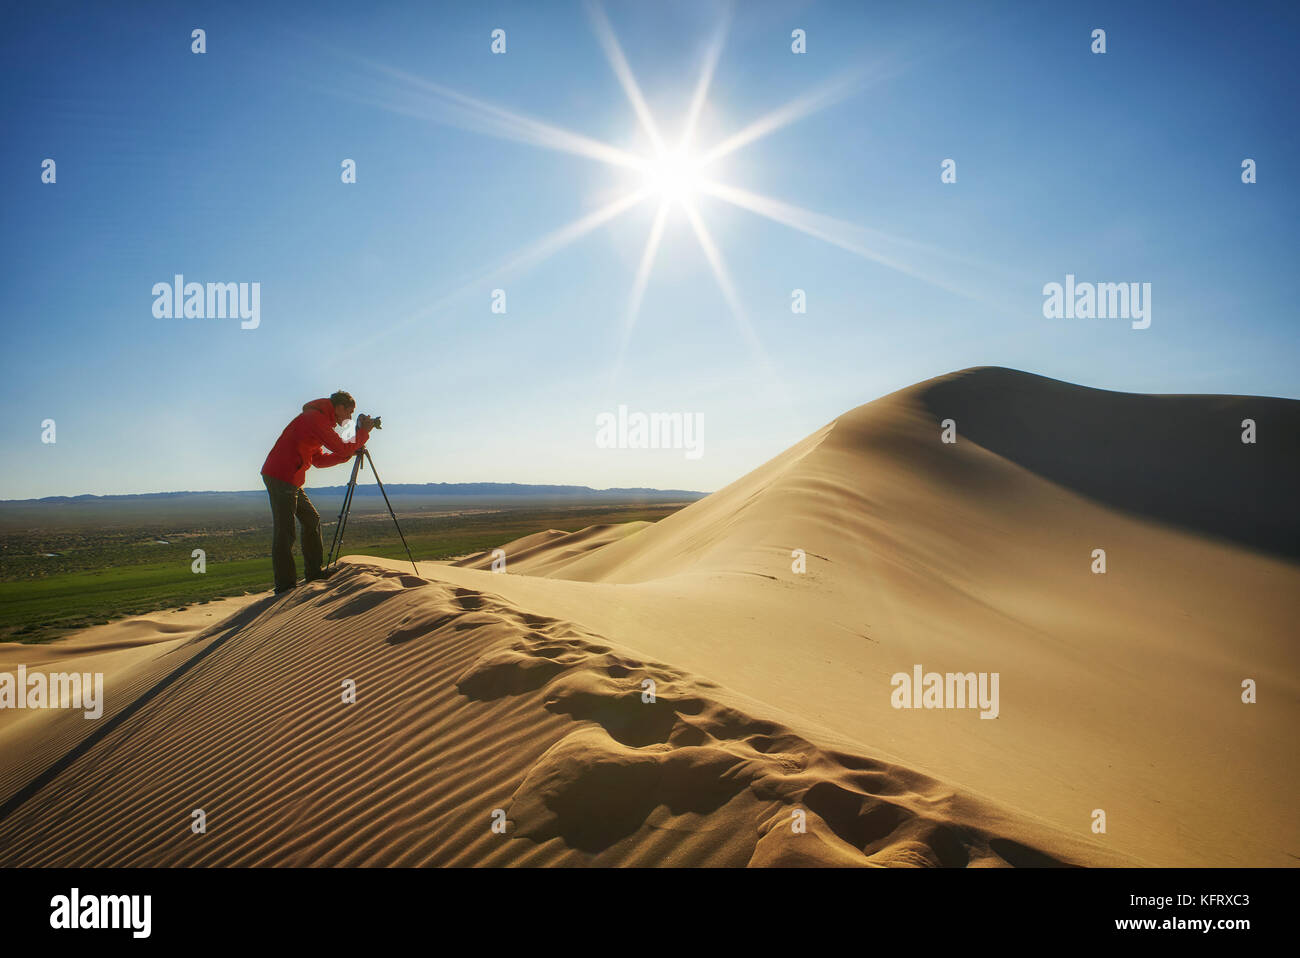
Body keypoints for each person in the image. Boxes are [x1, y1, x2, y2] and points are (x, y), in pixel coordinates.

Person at [260, 390, 375, 594]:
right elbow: (342, 447)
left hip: (290, 477)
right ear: (338, 407)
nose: (349, 417)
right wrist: (362, 433)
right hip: (282, 475)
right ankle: (285, 585)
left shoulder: (320, 421)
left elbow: (319, 460)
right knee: (285, 532)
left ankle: (314, 572)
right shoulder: (315, 419)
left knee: (311, 519)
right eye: (349, 412)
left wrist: (348, 452)